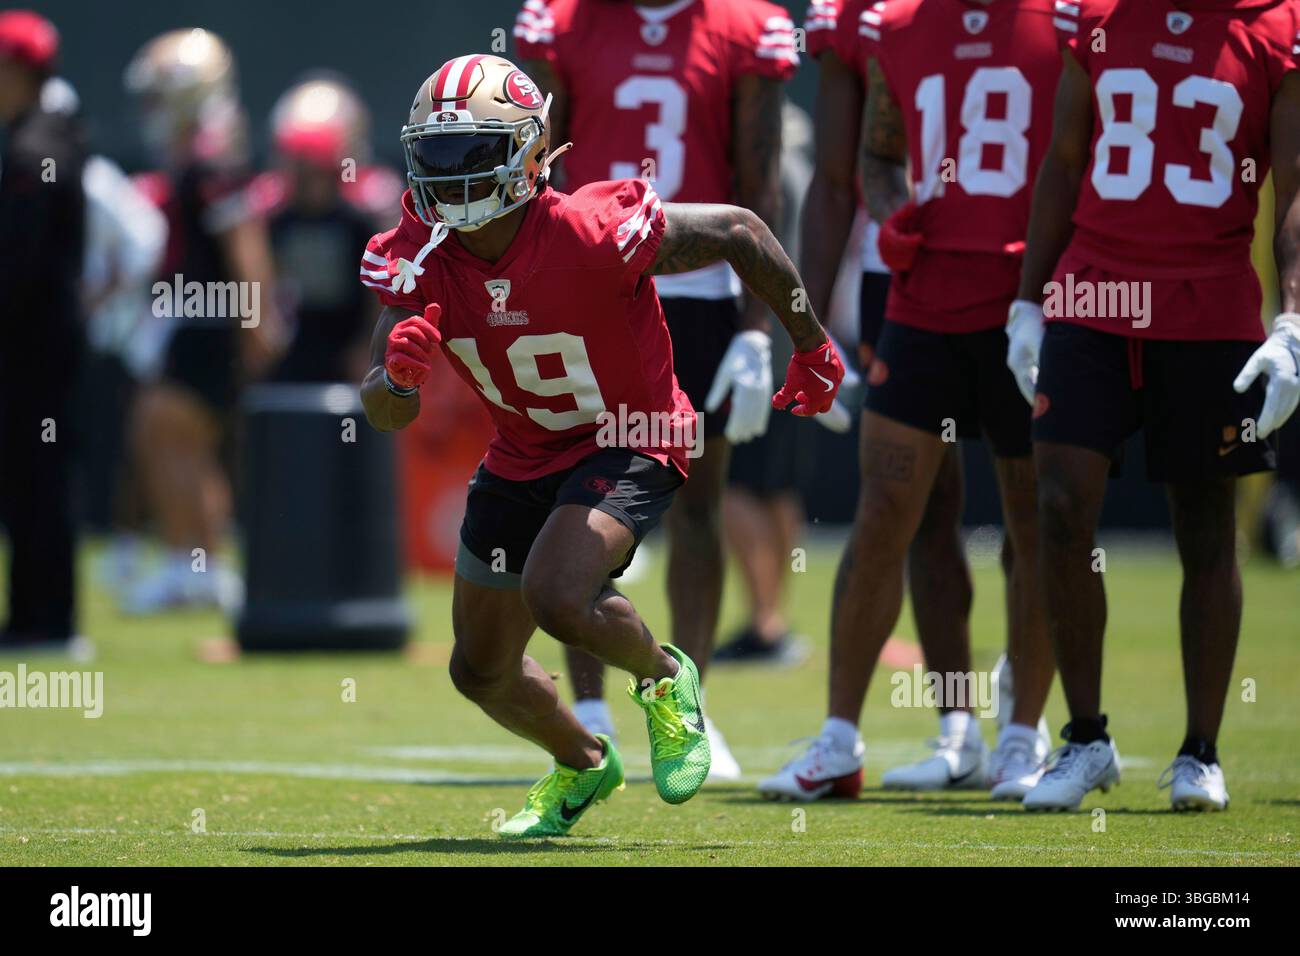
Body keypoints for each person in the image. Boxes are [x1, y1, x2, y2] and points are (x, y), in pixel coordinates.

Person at [358, 54, 843, 837]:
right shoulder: (420, 252)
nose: (448, 178)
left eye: (469, 155)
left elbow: (740, 229)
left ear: (523, 151)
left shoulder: (593, 228)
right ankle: (585, 765)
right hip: (523, 453)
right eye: (435, 157)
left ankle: (663, 678)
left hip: (634, 435)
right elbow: (381, 412)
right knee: (476, 668)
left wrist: (810, 345)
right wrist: (399, 382)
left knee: (556, 594)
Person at [760, 0, 1061, 802]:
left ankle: (1024, 736)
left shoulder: (1071, 18)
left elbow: (1081, 159)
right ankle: (900, 732)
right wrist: (811, 333)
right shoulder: (885, 23)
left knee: (1037, 519)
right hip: (917, 293)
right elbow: (854, 169)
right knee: (897, 508)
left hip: (1028, 298)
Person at [1009, 0, 1300, 812]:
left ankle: (1201, 750)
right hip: (1094, 291)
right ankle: (1086, 738)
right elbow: (1064, 161)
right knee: (1061, 502)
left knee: (1205, 524)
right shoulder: (1095, 13)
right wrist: (1028, 302)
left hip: (1207, 305)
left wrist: (1294, 320)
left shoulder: (1276, 25)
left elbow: (1296, 186)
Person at [514, 0, 801, 780]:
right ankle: (594, 708)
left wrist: (753, 326)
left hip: (702, 290)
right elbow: (536, 166)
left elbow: (759, 180)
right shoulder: (563, 21)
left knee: (700, 503)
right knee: (571, 496)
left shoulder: (745, 27)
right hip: (589, 286)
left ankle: (689, 705)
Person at [120, 28, 280, 613]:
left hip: (211, 319)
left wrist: (255, 319)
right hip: (197, 315)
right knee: (179, 439)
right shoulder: (200, 151)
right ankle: (198, 564)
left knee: (163, 424)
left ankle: (195, 562)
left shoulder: (214, 155)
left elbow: (245, 242)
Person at [0, 10, 88, 656]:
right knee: (35, 483)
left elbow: (16, 270)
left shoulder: (36, 151)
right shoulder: (50, 137)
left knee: (37, 485)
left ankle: (44, 622)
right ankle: (36, 618)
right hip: (47, 348)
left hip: (34, 353)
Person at [257, 75, 396, 385]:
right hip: (288, 351)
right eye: (303, 171)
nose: (311, 184)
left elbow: (389, 286)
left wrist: (371, 345)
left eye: (320, 171)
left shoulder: (370, 209)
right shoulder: (266, 211)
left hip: (349, 349)